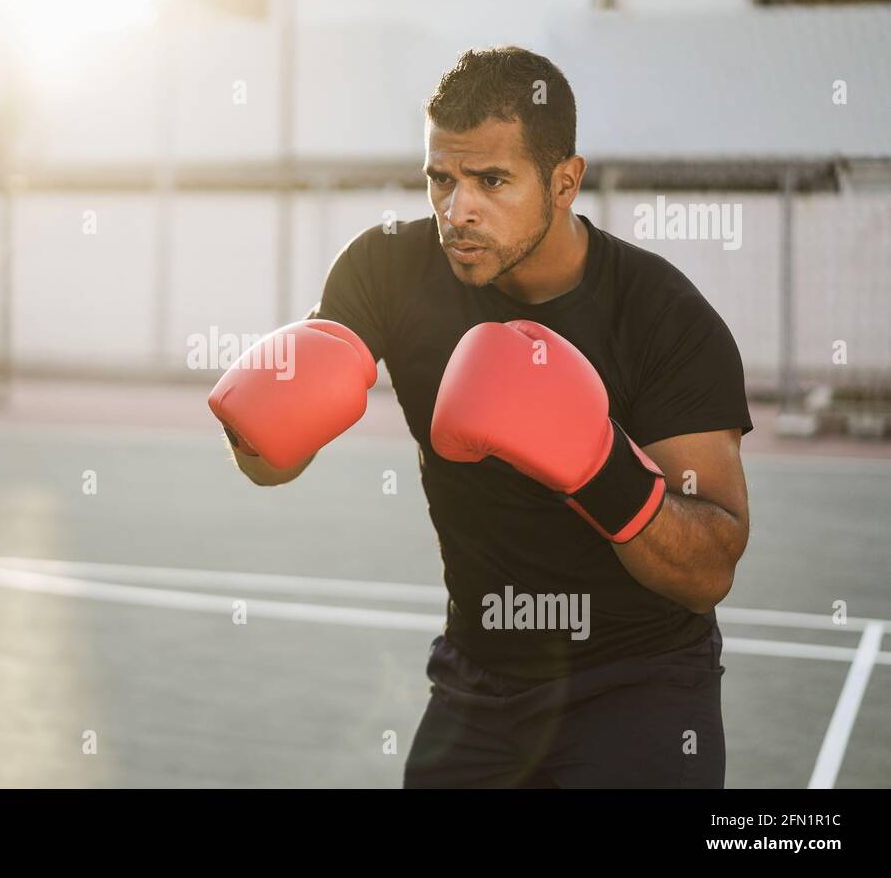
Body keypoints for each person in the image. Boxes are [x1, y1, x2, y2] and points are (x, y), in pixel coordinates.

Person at [208, 46, 752, 788]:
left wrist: (598, 467)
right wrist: (260, 425)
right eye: (441, 178)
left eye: (491, 181)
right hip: (479, 676)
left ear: (564, 182)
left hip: (640, 680)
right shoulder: (386, 269)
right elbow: (272, 462)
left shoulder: (662, 318)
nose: (456, 208)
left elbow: (709, 569)